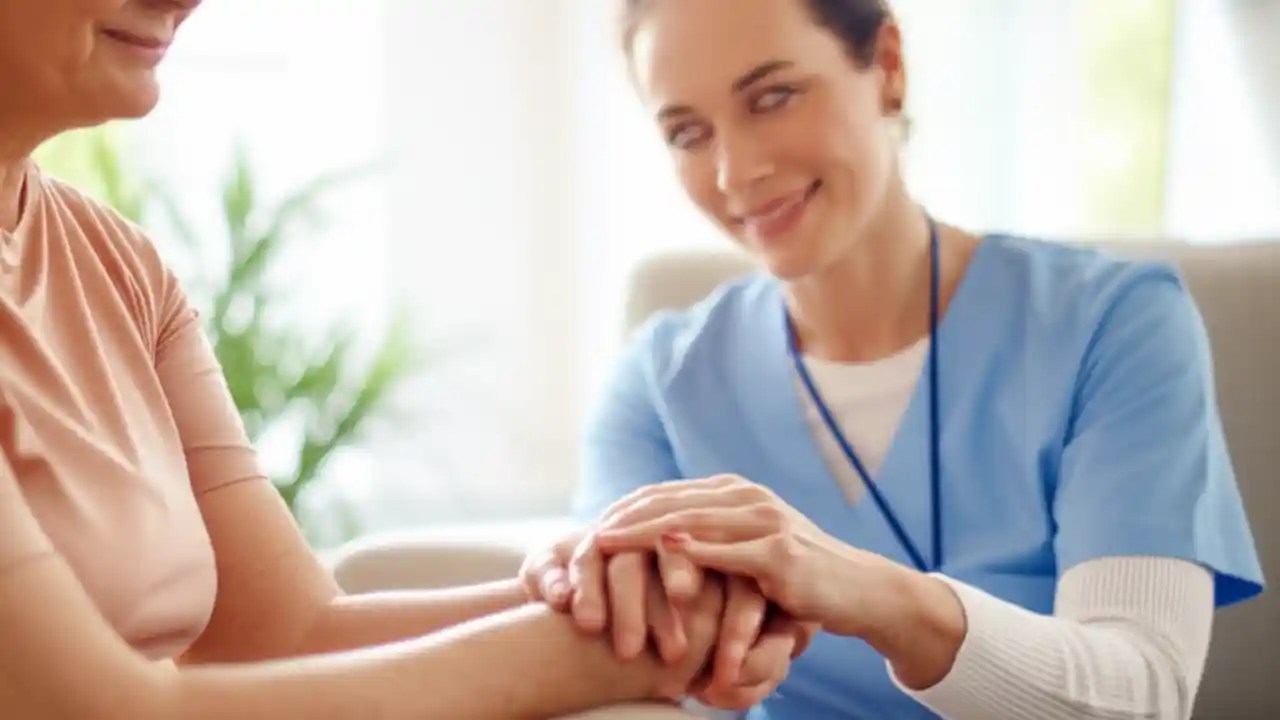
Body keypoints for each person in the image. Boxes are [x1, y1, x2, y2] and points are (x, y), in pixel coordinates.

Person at [0, 2, 800, 718]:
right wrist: (601, 651)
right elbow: (97, 707)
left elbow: (287, 632)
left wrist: (631, 613)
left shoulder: (116, 264)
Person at [521, 0, 1267, 718]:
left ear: (887, 65)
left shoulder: (1114, 324)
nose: (734, 172)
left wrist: (871, 594)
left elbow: (1141, 697)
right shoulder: (660, 384)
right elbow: (617, 665)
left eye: (773, 96)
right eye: (687, 133)